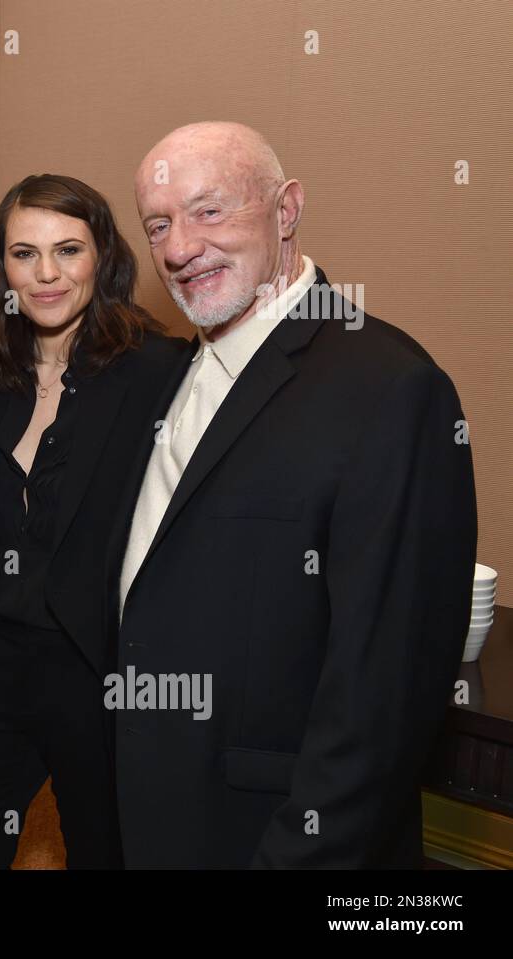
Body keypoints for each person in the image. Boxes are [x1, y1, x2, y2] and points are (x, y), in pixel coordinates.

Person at [114, 121, 478, 867]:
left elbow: (382, 700)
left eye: (210, 210)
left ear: (286, 210)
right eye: (159, 224)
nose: (180, 248)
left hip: (275, 837)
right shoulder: (169, 373)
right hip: (157, 813)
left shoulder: (390, 388)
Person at [0, 174, 189, 868]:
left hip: (94, 665)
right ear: (2, 267)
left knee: (106, 849)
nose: (46, 274)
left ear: (102, 258)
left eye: (68, 250)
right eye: (24, 253)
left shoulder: (160, 371)